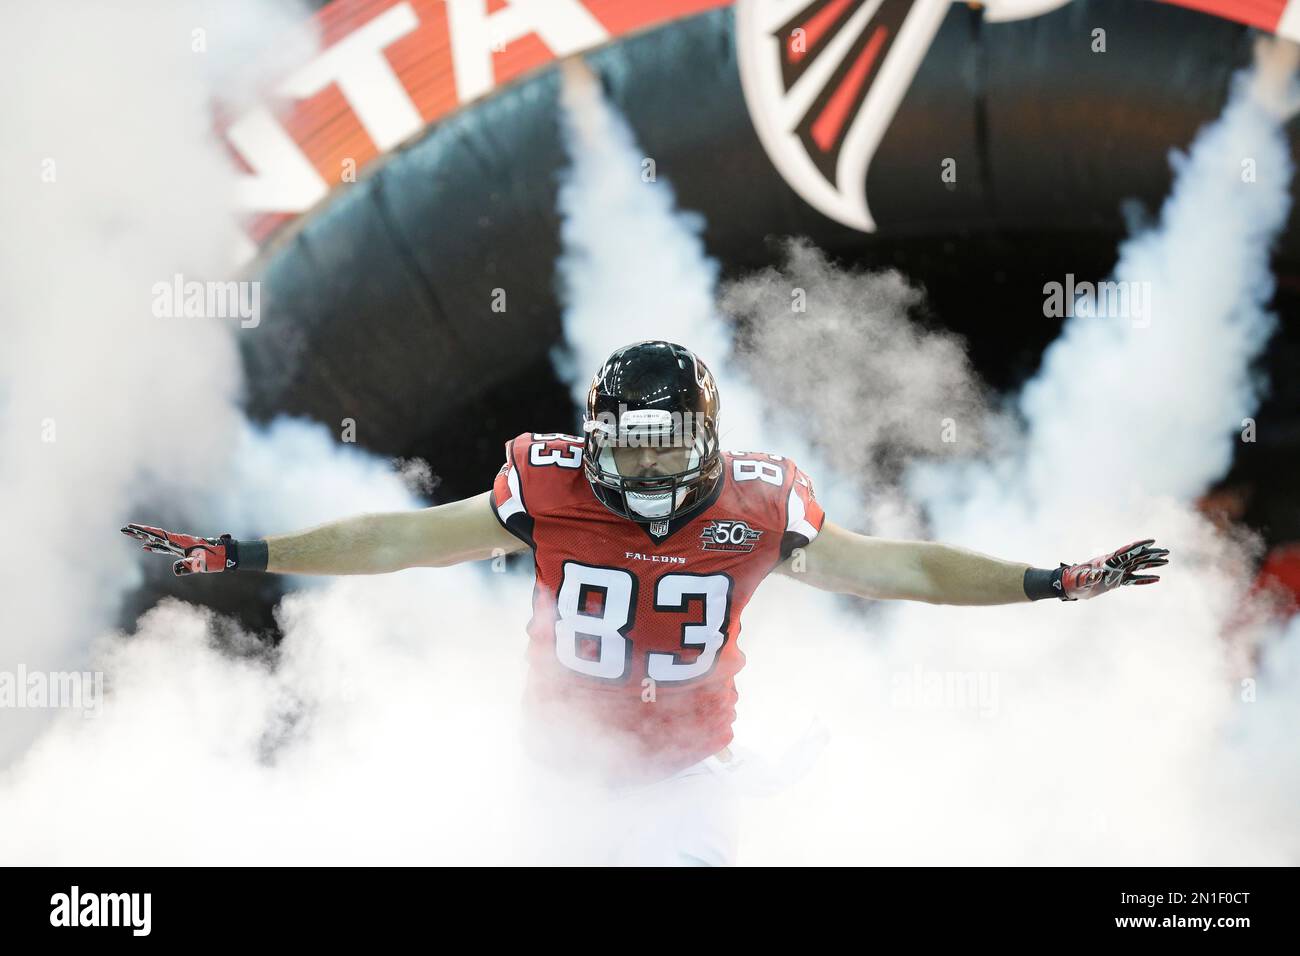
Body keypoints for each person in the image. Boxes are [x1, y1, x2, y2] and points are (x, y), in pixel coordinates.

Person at [123, 339, 1170, 865]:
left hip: (686, 780)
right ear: (595, 433)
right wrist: (245, 550)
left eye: (665, 440)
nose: (643, 460)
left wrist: (1048, 579)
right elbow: (398, 538)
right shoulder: (547, 484)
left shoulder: (760, 503)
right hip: (560, 781)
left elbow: (905, 566)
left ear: (709, 438)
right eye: (626, 438)